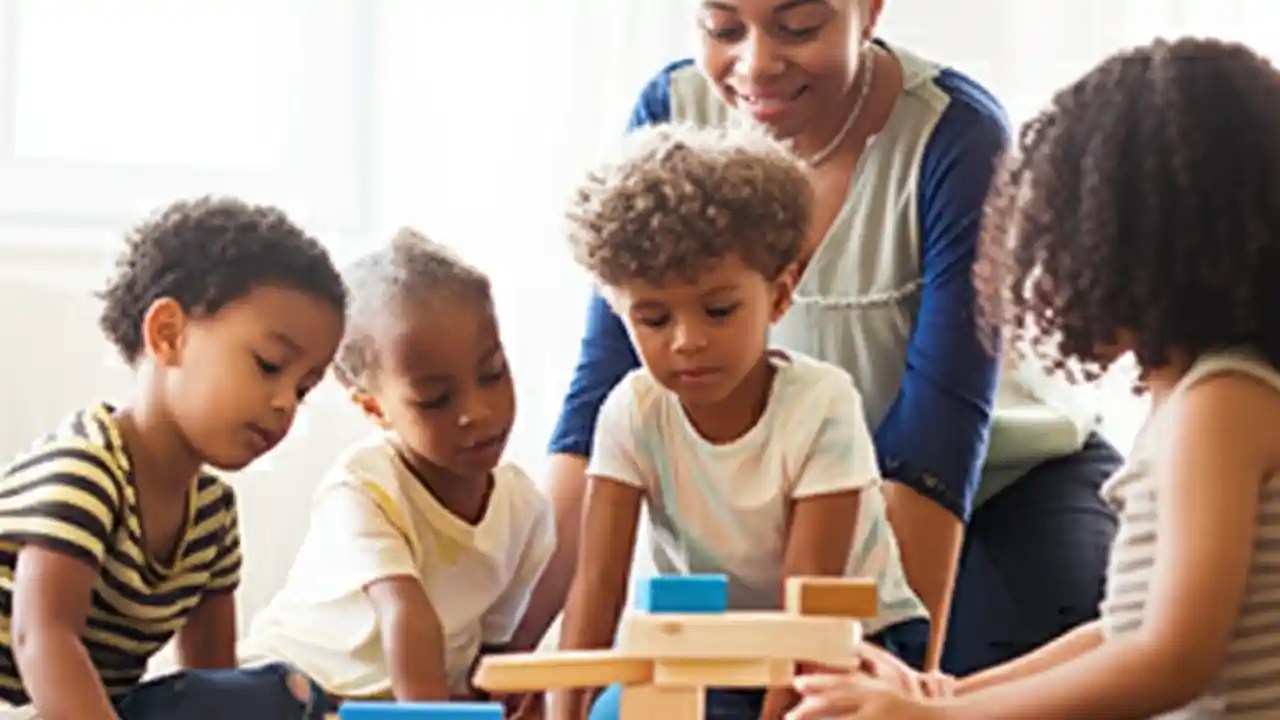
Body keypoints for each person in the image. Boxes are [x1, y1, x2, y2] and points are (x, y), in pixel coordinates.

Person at [528, 0, 1121, 675]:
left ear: (867, 11)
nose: (756, 64)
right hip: (805, 499)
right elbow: (597, 399)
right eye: (723, 29)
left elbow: (939, 439)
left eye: (799, 26)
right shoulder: (672, 106)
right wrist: (518, 643)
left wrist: (906, 691)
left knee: (983, 678)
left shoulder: (957, 136)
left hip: (997, 483)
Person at [787, 36, 1280, 719]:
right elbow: (1120, 632)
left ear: (1149, 247)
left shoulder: (1220, 407)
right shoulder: (1201, 399)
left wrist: (937, 719)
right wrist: (945, 693)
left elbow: (1174, 658)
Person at [554, 122, 925, 720]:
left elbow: (813, 607)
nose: (687, 341)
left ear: (779, 296)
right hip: (716, 644)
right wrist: (565, 711)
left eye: (719, 310)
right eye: (652, 319)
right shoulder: (632, 411)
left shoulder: (821, 403)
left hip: (854, 638)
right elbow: (596, 586)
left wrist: (777, 714)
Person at [0, 197, 347, 719]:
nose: (284, 403)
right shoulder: (86, 471)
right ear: (168, 334)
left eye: (304, 388)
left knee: (275, 696)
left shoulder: (212, 515)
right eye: (268, 365)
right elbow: (41, 637)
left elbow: (213, 687)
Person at [241, 229, 554, 711]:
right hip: (296, 683)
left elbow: (494, 657)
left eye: (492, 373)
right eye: (435, 400)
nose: (476, 411)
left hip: (396, 701)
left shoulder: (524, 510)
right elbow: (405, 613)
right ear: (374, 408)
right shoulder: (363, 487)